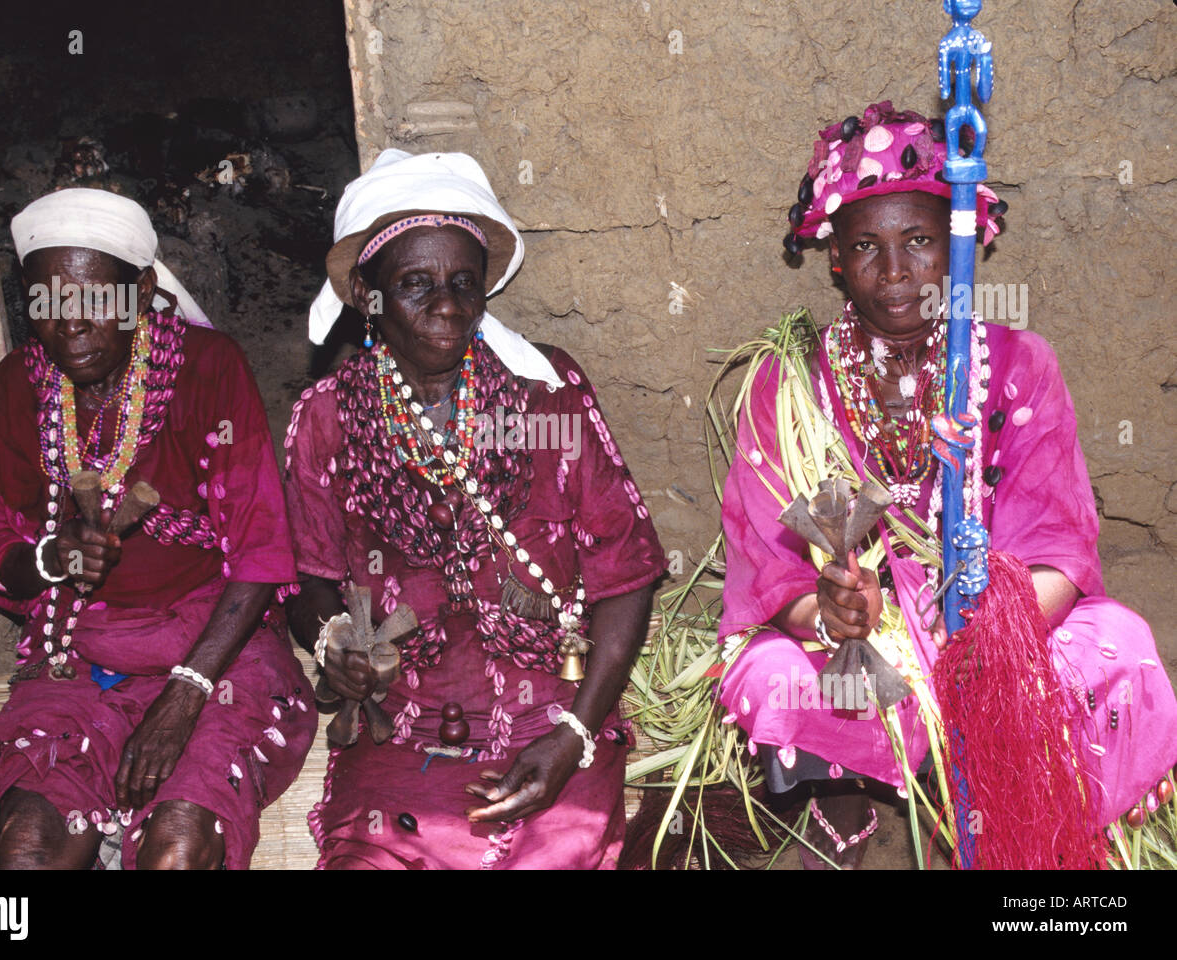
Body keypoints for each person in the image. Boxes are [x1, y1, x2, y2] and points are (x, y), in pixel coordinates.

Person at [716, 102, 1177, 868]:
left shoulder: (1019, 364)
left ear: (961, 250)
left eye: (920, 242)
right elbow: (768, 558)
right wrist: (832, 615)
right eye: (866, 247)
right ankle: (849, 809)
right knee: (775, 678)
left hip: (997, 634)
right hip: (867, 643)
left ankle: (1005, 814)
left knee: (1118, 648)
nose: (895, 272)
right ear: (834, 258)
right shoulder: (786, 385)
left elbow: (1059, 549)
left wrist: (974, 639)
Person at [284, 150, 665, 869]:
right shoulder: (328, 416)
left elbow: (627, 572)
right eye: (414, 285)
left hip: (548, 710)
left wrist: (574, 738)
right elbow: (307, 578)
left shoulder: (546, 392)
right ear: (368, 298)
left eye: (464, 283)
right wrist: (337, 639)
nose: (448, 306)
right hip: (400, 720)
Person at [0, 187, 313, 869]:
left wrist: (186, 694)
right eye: (48, 302)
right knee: (27, 848)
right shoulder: (19, 385)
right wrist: (48, 558)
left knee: (178, 845)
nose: (72, 325)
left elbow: (261, 555)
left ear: (143, 289)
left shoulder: (209, 370)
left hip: (218, 654)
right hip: (79, 654)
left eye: (97, 299)